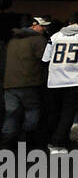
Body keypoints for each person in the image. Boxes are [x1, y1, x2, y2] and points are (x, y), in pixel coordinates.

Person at [42, 14, 78, 151]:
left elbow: (45, 60)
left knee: (54, 111)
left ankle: (51, 138)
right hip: (76, 79)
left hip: (54, 80)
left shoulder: (54, 36)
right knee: (68, 112)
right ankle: (57, 142)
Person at [3, 15, 49, 147]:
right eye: (42, 26)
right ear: (33, 25)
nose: (44, 29)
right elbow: (45, 60)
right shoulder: (38, 40)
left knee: (11, 113)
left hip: (10, 83)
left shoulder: (12, 40)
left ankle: (7, 140)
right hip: (30, 83)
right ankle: (26, 139)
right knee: (32, 110)